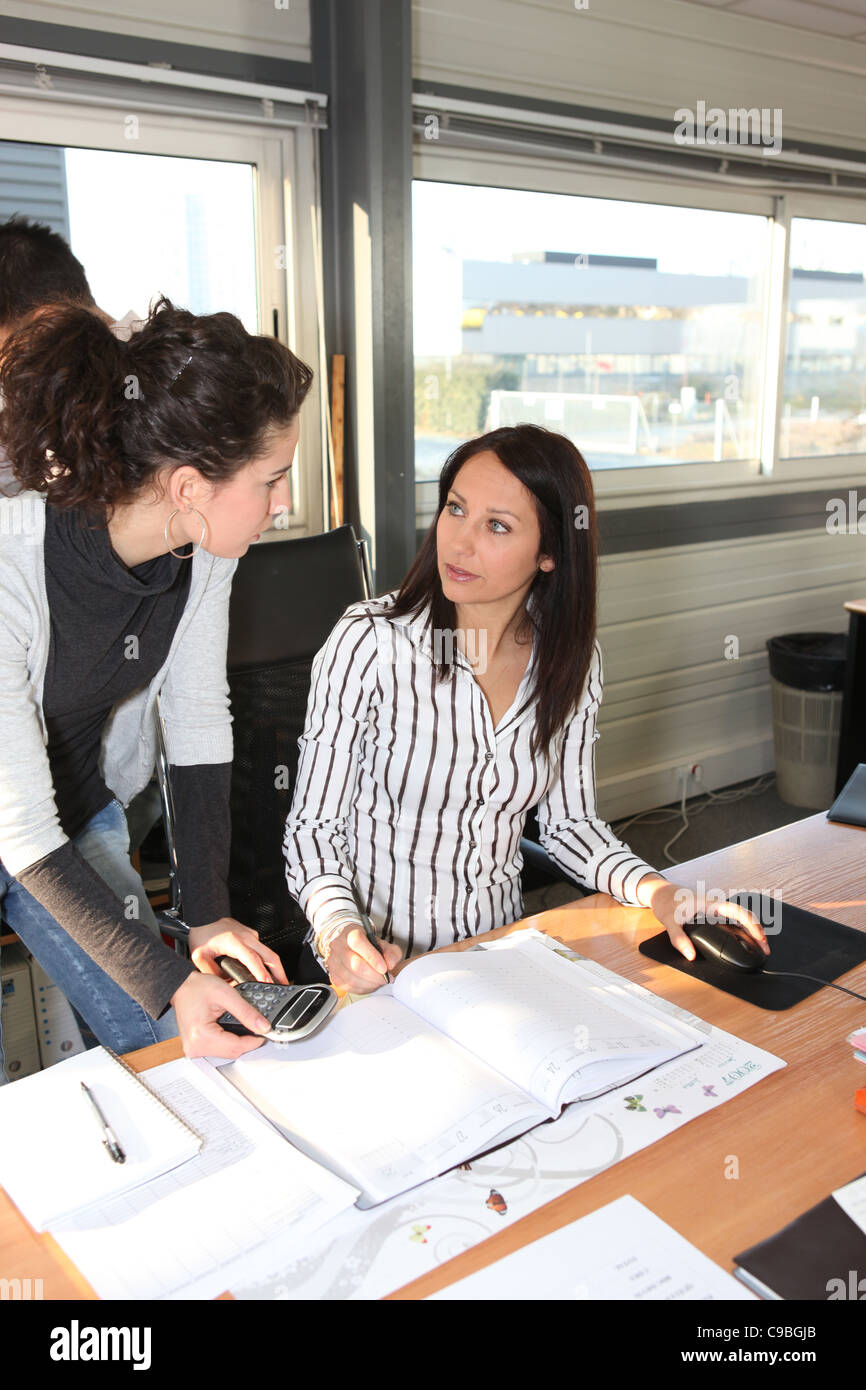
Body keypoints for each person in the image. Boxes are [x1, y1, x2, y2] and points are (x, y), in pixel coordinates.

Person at [284, 424, 768, 993]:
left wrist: (659, 891)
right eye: (455, 510)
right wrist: (337, 932)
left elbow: (571, 825)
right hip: (382, 970)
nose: (459, 543)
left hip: (504, 958)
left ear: (549, 553)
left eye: (496, 525)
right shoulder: (370, 642)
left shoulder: (570, 660)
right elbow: (313, 828)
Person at [0, 296, 313, 1075]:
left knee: (172, 1039)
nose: (282, 506)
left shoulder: (203, 548)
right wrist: (171, 979)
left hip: (65, 809)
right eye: (272, 481)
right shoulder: (12, 566)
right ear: (188, 486)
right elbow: (20, 831)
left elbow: (200, 716)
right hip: (25, 826)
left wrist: (207, 917)